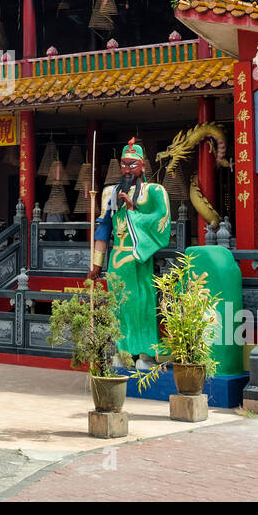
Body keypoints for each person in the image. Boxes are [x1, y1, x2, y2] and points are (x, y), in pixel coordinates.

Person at [88, 139, 171, 369]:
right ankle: (123, 352)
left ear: (143, 166)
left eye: (132, 165)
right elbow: (103, 229)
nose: (127, 170)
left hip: (139, 259)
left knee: (141, 305)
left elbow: (161, 220)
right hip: (117, 260)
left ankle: (145, 354)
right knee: (119, 307)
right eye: (124, 165)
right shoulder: (110, 193)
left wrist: (133, 211)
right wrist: (97, 264)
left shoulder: (153, 192)